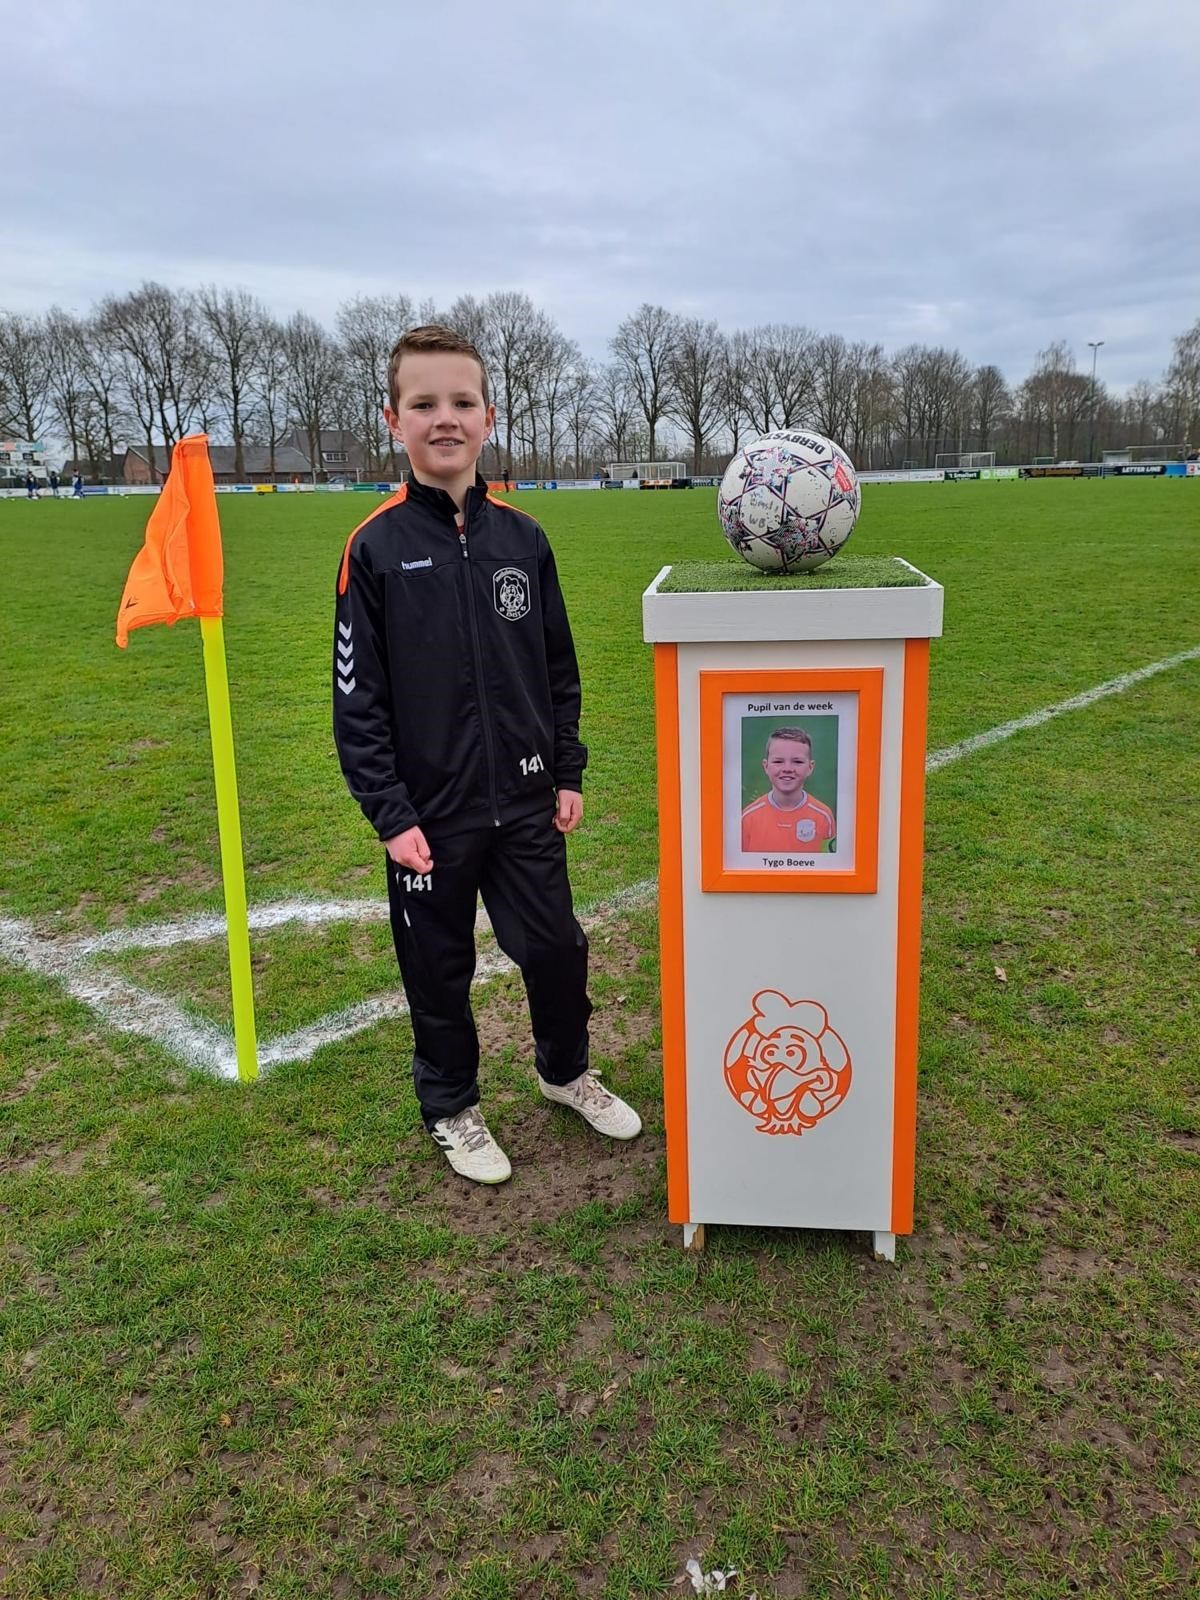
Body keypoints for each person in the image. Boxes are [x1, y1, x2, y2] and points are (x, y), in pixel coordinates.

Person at [332, 324, 641, 1185]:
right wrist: (392, 815)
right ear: (394, 421)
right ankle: (452, 1108)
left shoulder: (523, 539)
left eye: (461, 402)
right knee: (439, 968)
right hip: (430, 817)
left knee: (554, 947)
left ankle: (565, 1071)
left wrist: (568, 769)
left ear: (488, 417)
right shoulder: (375, 548)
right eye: (424, 403)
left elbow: (557, 669)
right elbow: (357, 703)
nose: (445, 419)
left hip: (528, 799)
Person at [741, 727, 836, 853]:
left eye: (797, 761)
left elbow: (829, 867)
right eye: (778, 761)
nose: (787, 768)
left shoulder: (824, 816)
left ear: (810, 767)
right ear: (766, 766)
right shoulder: (748, 818)